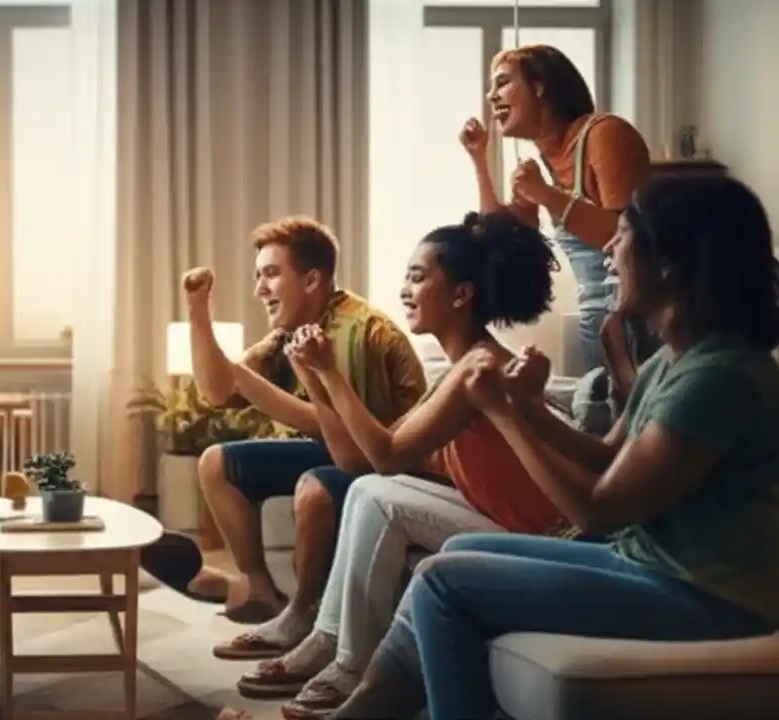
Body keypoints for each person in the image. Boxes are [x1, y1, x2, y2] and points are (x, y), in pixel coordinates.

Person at [331, 175, 779, 720]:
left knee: (444, 584)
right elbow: (608, 456)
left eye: (622, 237)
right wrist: (530, 407)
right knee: (451, 557)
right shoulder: (675, 360)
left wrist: (504, 413)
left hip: (708, 596)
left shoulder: (721, 376)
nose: (608, 252)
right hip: (648, 564)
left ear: (670, 263)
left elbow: (595, 506)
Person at [218, 211, 570, 719]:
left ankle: (345, 663)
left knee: (379, 496)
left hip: (532, 535)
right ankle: (327, 644)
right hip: (495, 516)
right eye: (406, 275)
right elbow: (355, 462)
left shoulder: (477, 367)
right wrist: (316, 379)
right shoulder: (462, 367)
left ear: (461, 295)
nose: (405, 289)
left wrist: (330, 375)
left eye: (419, 276)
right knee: (368, 493)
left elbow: (383, 456)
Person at [142, 216, 426, 647]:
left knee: (314, 486)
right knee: (217, 463)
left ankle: (305, 613)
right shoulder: (287, 334)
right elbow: (219, 390)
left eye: (271, 274)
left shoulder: (359, 331)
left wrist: (250, 384)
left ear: (312, 280)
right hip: (331, 449)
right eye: (258, 275)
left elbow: (348, 439)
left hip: (384, 461)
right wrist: (198, 311)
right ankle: (258, 590)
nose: (259, 289)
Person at [460, 43, 651, 376]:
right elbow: (500, 239)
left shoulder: (605, 134)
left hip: (639, 322)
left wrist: (546, 195)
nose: (492, 96)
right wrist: (479, 159)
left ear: (539, 85)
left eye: (502, 82)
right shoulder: (542, 165)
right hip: (598, 322)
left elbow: (630, 238)